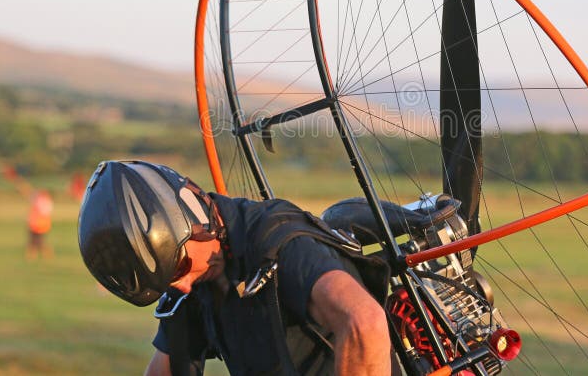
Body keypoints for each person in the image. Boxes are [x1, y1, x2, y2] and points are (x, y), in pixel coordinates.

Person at [77, 160, 394, 376]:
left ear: (192, 215)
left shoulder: (277, 241)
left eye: (181, 266)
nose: (184, 284)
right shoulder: (193, 281)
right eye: (169, 282)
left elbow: (363, 321)